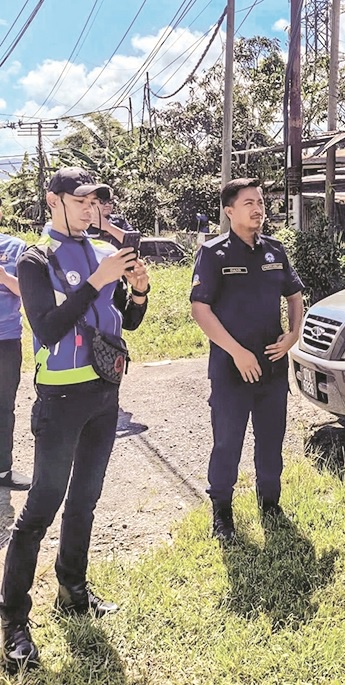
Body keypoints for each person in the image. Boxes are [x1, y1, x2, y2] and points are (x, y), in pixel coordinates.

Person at [0, 167, 150, 672]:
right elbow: (46, 325)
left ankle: (73, 588)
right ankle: (14, 622)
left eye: (96, 203)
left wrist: (140, 291)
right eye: (81, 201)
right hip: (60, 401)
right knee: (42, 505)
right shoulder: (34, 258)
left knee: (85, 499)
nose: (91, 211)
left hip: (105, 396)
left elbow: (125, 321)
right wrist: (96, 283)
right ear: (54, 201)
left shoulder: (105, 254)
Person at [190, 178, 304, 543]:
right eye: (248, 203)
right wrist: (236, 352)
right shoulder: (214, 253)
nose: (258, 208)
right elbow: (200, 309)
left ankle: (270, 504)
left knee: (271, 441)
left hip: (272, 367)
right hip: (231, 369)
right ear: (229, 210)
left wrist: (293, 334)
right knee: (227, 443)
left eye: (260, 202)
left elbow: (295, 295)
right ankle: (222, 514)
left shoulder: (276, 250)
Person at [0, 216, 31, 491]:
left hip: (6, 339)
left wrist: (3, 277)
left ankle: (2, 471)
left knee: (4, 407)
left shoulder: (16, 247)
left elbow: (30, 292)